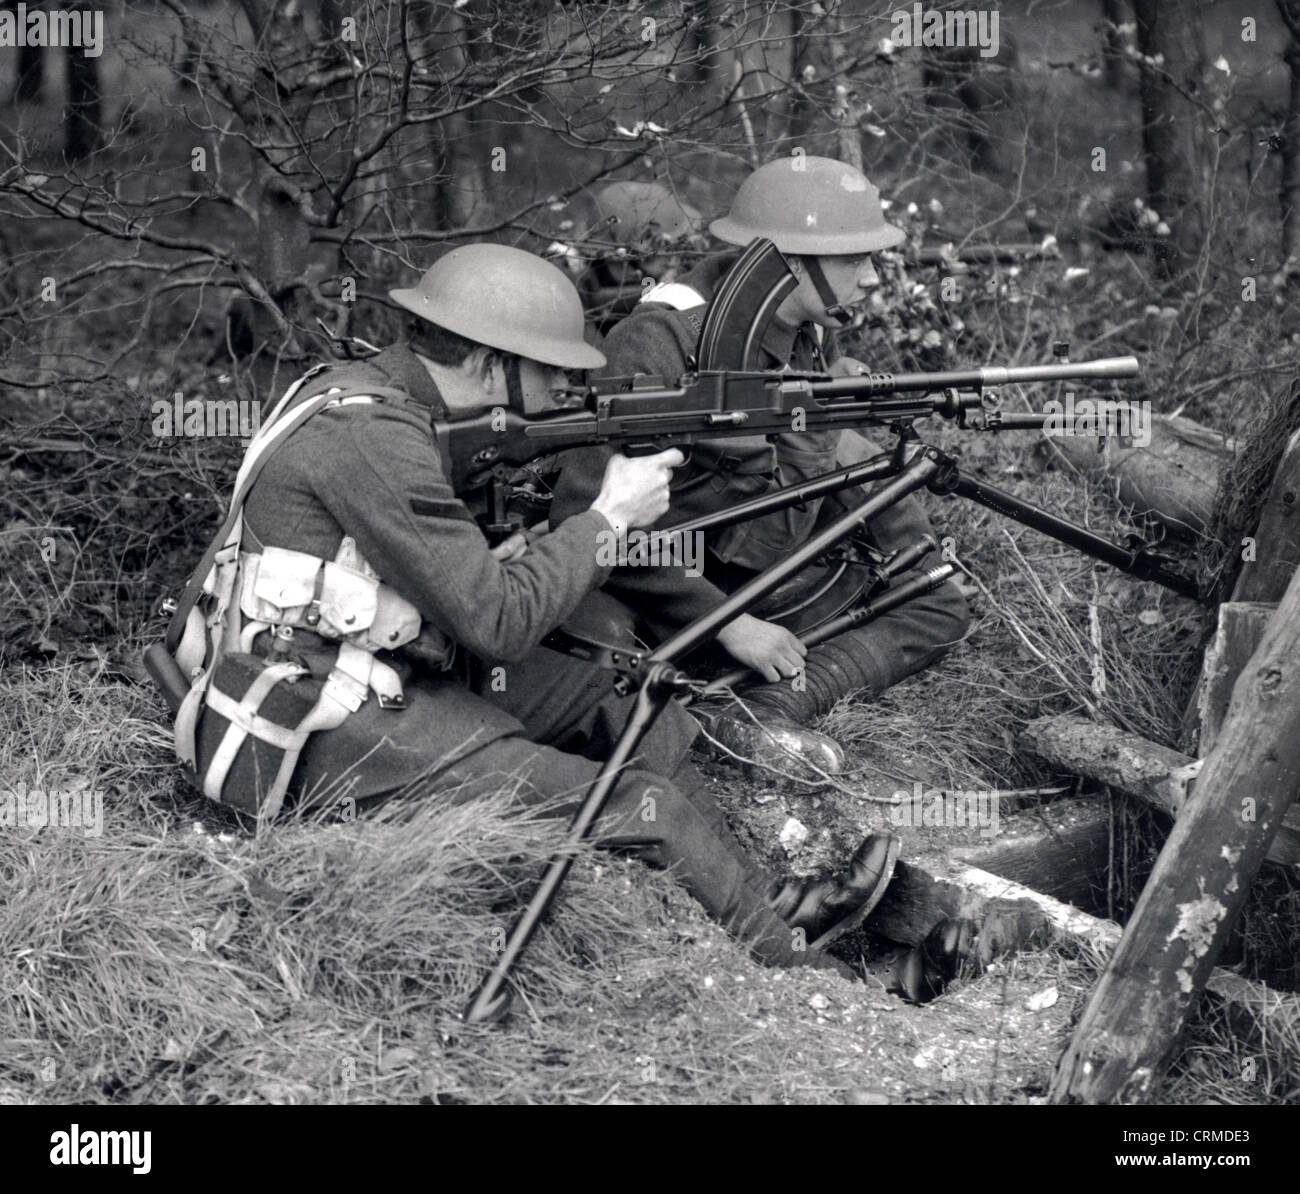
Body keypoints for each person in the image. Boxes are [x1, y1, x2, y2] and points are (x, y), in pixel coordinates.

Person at [162, 242, 911, 980]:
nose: (564, 388)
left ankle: (764, 905)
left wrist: (516, 552)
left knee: (622, 700)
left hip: (373, 667)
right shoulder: (371, 439)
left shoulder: (367, 394)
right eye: (550, 368)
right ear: (490, 364)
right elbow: (497, 623)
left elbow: (416, 571)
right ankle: (806, 979)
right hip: (324, 726)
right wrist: (609, 520)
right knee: (640, 801)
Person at [550, 157, 971, 772]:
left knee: (938, 606)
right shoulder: (656, 342)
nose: (872, 277)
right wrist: (727, 624)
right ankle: (723, 706)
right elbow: (588, 524)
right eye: (855, 259)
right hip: (671, 583)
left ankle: (771, 704)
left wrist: (920, 557)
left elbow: (832, 456)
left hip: (757, 554)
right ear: (794, 263)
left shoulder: (805, 327)